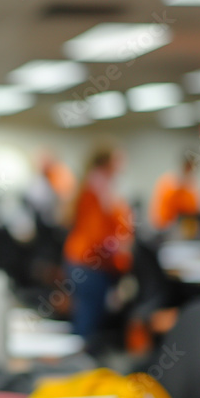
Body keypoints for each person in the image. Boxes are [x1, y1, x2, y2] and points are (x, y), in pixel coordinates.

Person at [62, 143, 133, 346]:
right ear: (107, 163)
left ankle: (79, 358)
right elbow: (98, 235)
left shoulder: (94, 186)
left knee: (86, 316)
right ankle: (79, 362)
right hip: (90, 262)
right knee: (87, 321)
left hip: (84, 260)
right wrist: (119, 249)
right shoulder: (98, 189)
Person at [149, 155, 200, 234]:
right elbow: (165, 208)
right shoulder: (170, 182)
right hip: (166, 226)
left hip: (183, 226)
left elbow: (194, 209)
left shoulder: (192, 187)